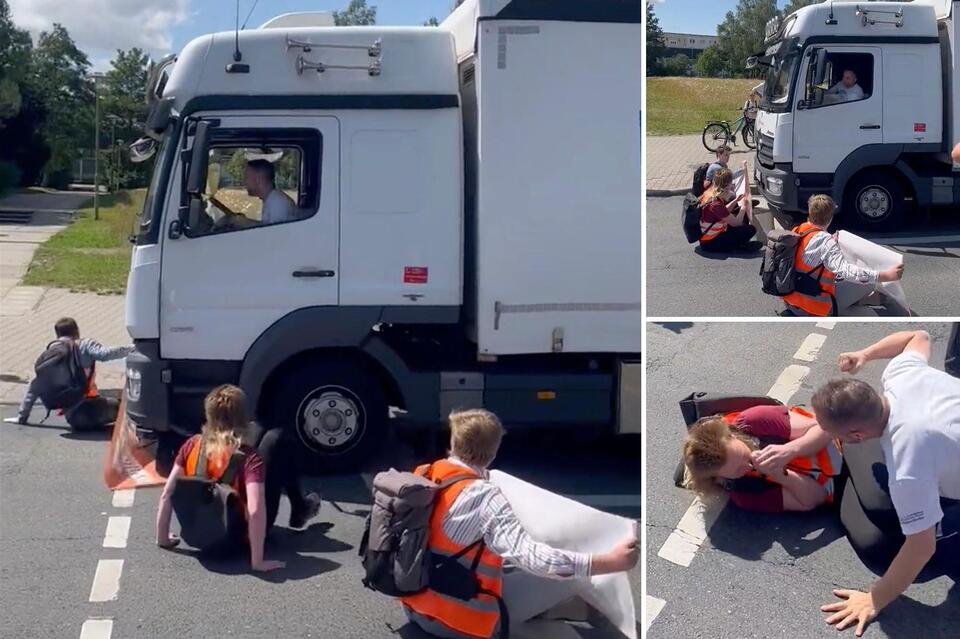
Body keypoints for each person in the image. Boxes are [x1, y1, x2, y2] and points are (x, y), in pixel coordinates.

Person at [400, 409, 638, 639]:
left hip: (416, 607)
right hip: (458, 620)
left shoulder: (427, 474)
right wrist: (610, 562)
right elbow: (537, 560)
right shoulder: (484, 498)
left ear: (452, 444)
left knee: (511, 571)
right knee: (573, 574)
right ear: (493, 453)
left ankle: (558, 612)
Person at [812, 330, 960, 636]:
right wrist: (864, 354)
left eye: (834, 434)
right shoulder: (902, 376)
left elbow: (921, 547)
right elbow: (917, 337)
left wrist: (874, 598)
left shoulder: (908, 466)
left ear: (855, 435)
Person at [155, 385, 321, 570]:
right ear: (243, 417)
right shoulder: (249, 458)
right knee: (279, 440)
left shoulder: (191, 444)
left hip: (199, 536)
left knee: (272, 439)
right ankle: (300, 507)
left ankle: (300, 507)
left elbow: (168, 493)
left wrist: (163, 538)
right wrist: (257, 562)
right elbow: (255, 509)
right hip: (237, 541)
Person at [683, 404, 840, 512]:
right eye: (739, 470)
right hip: (841, 486)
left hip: (843, 442)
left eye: (743, 455)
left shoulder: (754, 421)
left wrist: (791, 450)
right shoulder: (744, 492)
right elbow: (816, 499)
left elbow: (826, 427)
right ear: (719, 479)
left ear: (732, 435)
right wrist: (781, 475)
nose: (749, 465)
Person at [781, 194, 903, 317]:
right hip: (813, 305)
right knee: (870, 295)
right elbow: (847, 271)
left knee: (858, 295)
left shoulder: (798, 230)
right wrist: (885, 275)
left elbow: (810, 251)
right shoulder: (825, 242)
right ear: (830, 217)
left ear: (810, 212)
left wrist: (830, 241)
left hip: (792, 300)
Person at [18, 317, 132, 430]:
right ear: (77, 331)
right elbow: (104, 354)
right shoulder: (84, 345)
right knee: (127, 407)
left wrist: (22, 416)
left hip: (75, 419)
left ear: (57, 334)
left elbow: (33, 389)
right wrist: (131, 349)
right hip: (91, 410)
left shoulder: (49, 354)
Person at [697, 167, 756, 252]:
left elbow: (723, 211)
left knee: (738, 216)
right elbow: (737, 223)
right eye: (731, 182)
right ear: (726, 185)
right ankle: (735, 247)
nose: (732, 184)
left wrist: (736, 201)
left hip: (707, 237)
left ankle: (735, 243)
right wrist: (743, 207)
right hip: (710, 242)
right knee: (750, 230)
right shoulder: (715, 204)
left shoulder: (710, 193)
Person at [244, 159, 296, 225]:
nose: (244, 182)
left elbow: (274, 233)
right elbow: (265, 226)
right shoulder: (272, 198)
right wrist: (243, 222)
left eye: (246, 177)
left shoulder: (277, 202)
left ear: (258, 180)